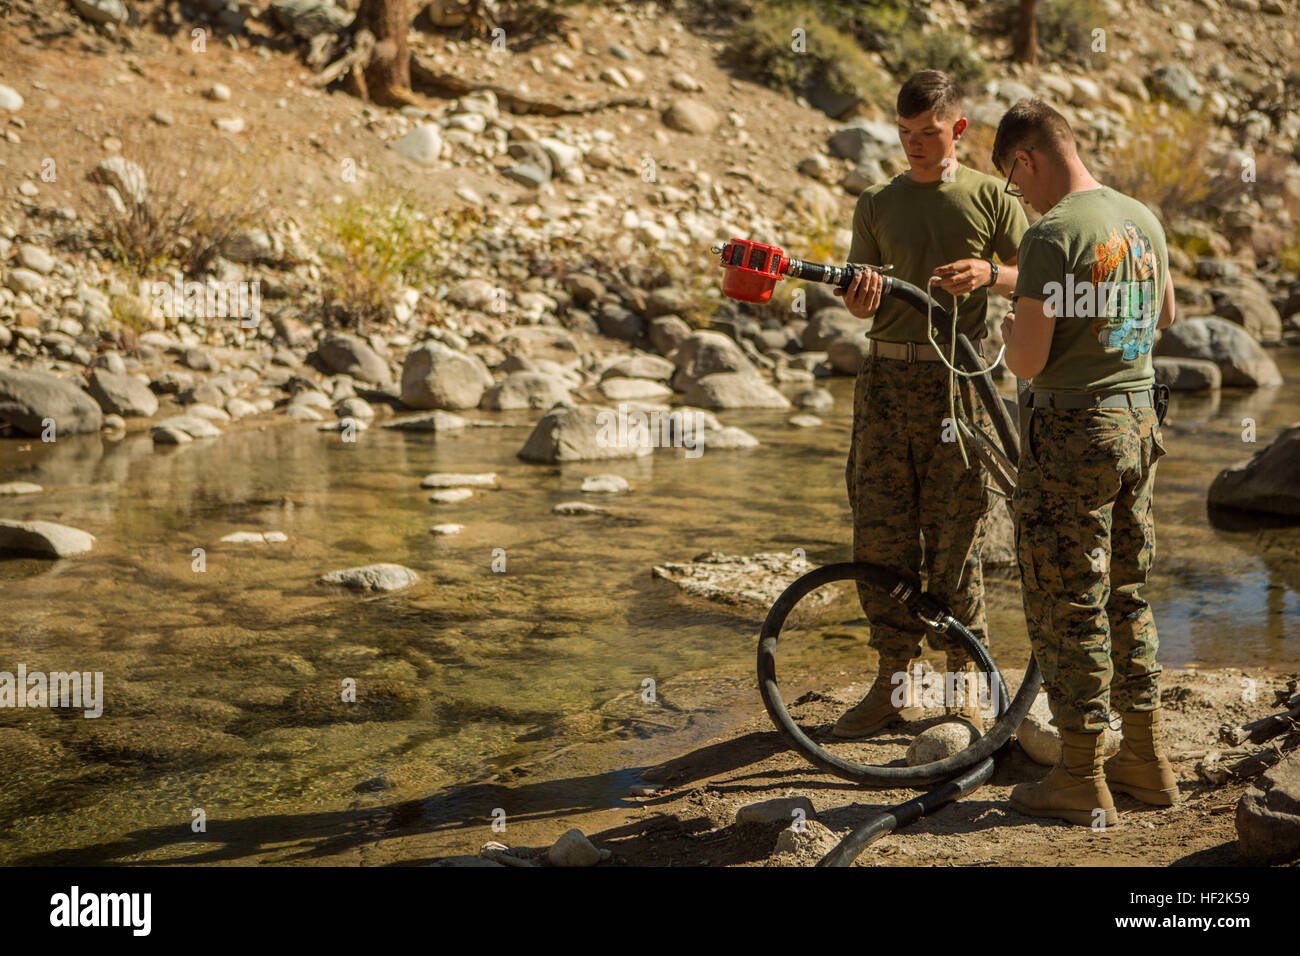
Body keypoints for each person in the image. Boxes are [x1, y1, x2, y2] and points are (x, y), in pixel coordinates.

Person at [993, 98, 1179, 826]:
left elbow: (1030, 361)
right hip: (1137, 426)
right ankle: (1146, 759)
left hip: (1073, 435)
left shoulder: (1052, 235)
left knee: (1067, 601)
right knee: (1126, 592)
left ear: (1026, 158)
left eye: (1014, 183)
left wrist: (1014, 333)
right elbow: (1162, 314)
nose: (1020, 197)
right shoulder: (1141, 216)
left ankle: (1079, 774)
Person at [834, 70, 1028, 738]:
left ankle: (961, 688)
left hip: (961, 387)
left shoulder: (990, 198)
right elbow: (860, 291)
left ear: (960, 130)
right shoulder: (877, 204)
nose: (915, 145)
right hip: (885, 384)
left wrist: (990, 275)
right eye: (906, 133)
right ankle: (891, 687)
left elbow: (1039, 273)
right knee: (881, 533)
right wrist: (860, 299)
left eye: (930, 133)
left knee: (957, 533)